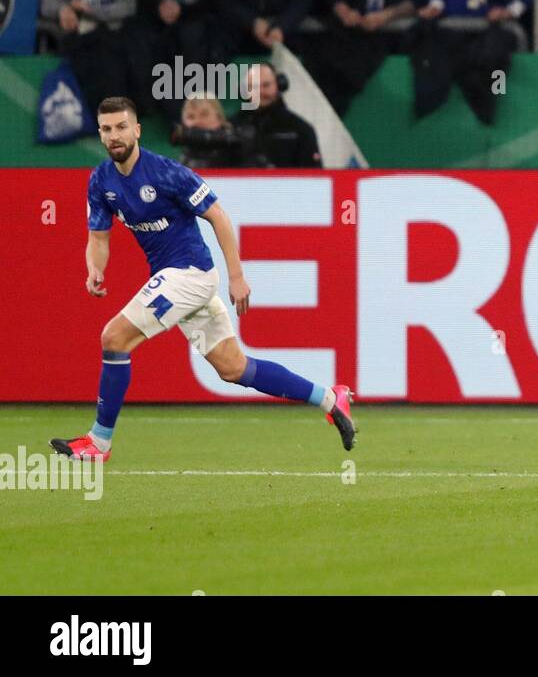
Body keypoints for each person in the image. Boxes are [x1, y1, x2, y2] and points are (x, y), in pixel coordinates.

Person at [50, 96, 353, 463]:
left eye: (121, 127)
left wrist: (237, 276)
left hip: (190, 274)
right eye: (107, 129)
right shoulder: (101, 181)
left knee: (114, 337)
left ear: (137, 130)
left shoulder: (166, 173)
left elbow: (219, 217)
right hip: (177, 278)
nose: (115, 136)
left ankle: (99, 443)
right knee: (234, 368)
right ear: (100, 134)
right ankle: (330, 398)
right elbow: (98, 238)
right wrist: (94, 268)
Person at [236, 65, 323, 168]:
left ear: (279, 85)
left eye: (266, 85)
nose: (260, 92)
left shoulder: (301, 130)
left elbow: (314, 177)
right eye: (254, 87)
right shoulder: (232, 127)